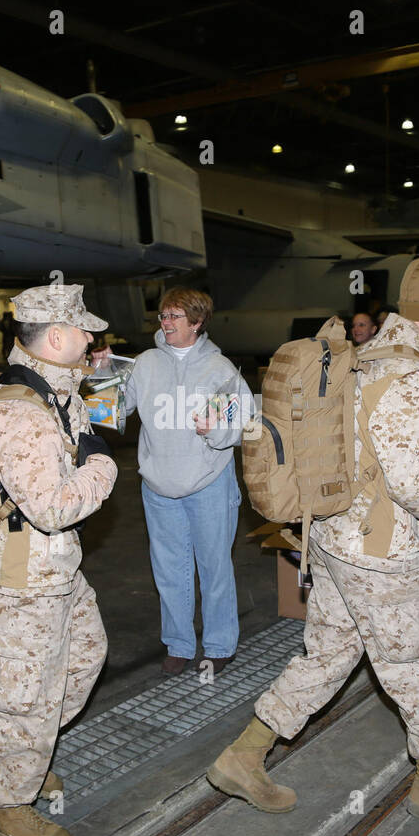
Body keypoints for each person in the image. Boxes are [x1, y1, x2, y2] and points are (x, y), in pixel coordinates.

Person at [208, 255, 419, 820]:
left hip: (331, 537)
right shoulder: (413, 375)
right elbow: (413, 483)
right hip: (380, 554)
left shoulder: (361, 356)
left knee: (330, 653)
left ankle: (244, 755)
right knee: (418, 667)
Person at [0, 283, 119, 836]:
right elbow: (54, 507)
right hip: (21, 578)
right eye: (83, 330)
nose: (91, 338)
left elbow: (85, 436)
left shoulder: (55, 392)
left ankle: (21, 758)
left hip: (55, 569)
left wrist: (98, 390)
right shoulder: (19, 411)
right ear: (55, 337)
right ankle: (6, 806)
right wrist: (104, 467)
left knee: (84, 656)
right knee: (24, 692)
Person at [123, 287, 255, 675]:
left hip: (208, 483)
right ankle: (178, 643)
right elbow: (114, 409)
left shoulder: (220, 370)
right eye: (163, 316)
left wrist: (216, 428)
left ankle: (218, 644)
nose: (165, 324)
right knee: (169, 570)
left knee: (214, 568)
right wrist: (102, 376)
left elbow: (243, 425)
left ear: (197, 323)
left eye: (175, 317)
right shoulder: (145, 363)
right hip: (159, 486)